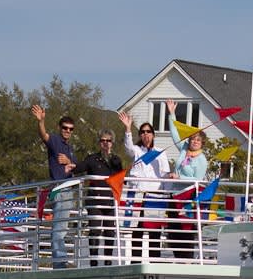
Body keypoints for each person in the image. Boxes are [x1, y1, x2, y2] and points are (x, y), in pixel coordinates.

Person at [117, 112, 170, 261]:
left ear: (153, 135)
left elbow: (165, 175)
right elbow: (128, 148)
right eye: (142, 132)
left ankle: (155, 263)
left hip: (155, 195)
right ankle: (135, 262)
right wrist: (128, 128)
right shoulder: (137, 150)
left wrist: (168, 188)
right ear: (140, 135)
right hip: (138, 195)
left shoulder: (160, 153)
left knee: (154, 232)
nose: (145, 134)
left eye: (148, 132)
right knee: (137, 230)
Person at [31, 104, 77, 269]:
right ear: (60, 128)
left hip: (68, 190)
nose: (67, 131)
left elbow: (76, 167)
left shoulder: (70, 148)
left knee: (61, 229)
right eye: (65, 128)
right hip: (60, 189)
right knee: (58, 230)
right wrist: (41, 121)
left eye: (71, 129)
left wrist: (69, 163)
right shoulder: (56, 141)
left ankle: (61, 261)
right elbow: (44, 135)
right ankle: (60, 263)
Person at [165, 99, 208, 258]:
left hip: (188, 198)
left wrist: (179, 176)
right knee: (172, 230)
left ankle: (188, 260)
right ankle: (178, 258)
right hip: (175, 196)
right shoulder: (184, 149)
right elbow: (175, 135)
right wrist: (172, 114)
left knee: (186, 231)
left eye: (198, 140)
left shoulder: (202, 159)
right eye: (193, 139)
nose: (194, 142)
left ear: (202, 143)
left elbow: (197, 180)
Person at [75, 130, 123, 265]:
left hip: (110, 200)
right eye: (103, 140)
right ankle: (94, 262)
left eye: (108, 141)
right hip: (95, 201)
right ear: (99, 143)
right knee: (95, 231)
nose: (105, 143)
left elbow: (120, 175)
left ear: (112, 143)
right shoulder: (92, 158)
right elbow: (80, 167)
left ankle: (108, 262)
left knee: (109, 232)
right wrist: (71, 164)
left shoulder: (116, 160)